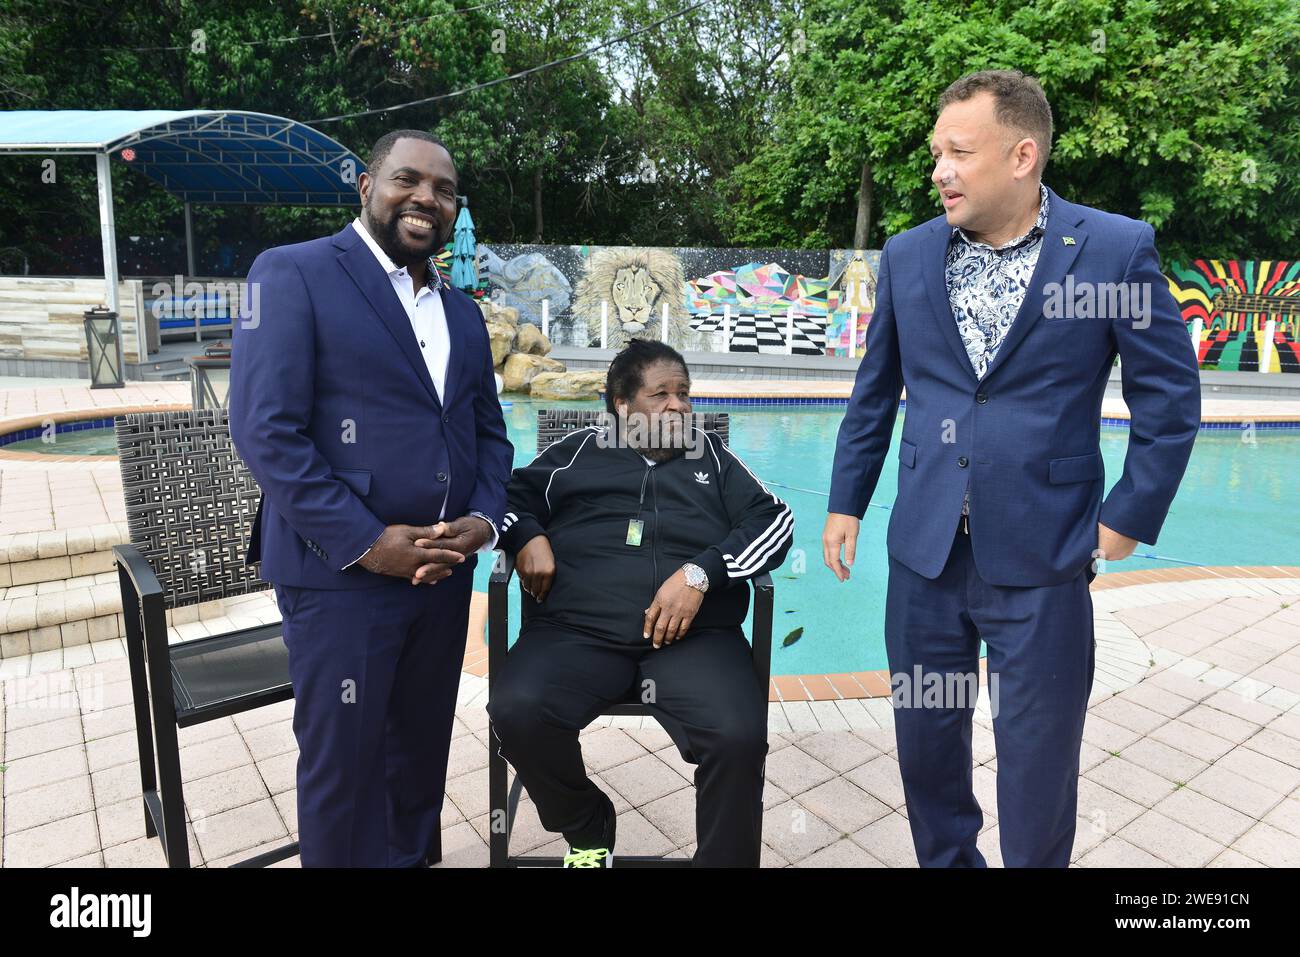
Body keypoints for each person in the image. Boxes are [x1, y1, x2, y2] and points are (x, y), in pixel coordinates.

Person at [822, 70, 1200, 867]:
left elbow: (1169, 396)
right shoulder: (910, 255)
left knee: (1036, 763)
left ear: (1022, 154)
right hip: (924, 552)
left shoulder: (1112, 250)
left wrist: (1130, 513)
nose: (939, 171)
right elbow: (874, 392)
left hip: (1043, 556)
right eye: (936, 152)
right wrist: (845, 501)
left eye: (959, 151)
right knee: (926, 746)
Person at [229, 129, 514, 867]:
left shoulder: (462, 315)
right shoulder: (291, 274)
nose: (426, 198)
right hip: (342, 578)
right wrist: (369, 540)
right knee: (344, 769)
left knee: (418, 758)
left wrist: (482, 523)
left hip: (443, 578)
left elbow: (491, 436)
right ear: (366, 185)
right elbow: (267, 431)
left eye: (444, 190)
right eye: (407, 180)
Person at [488, 340, 793, 867]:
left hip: (692, 641)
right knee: (516, 711)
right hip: (576, 634)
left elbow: (774, 522)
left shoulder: (713, 459)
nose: (679, 406)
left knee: (738, 738)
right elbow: (504, 499)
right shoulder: (576, 452)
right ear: (621, 405)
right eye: (662, 395)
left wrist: (701, 573)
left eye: (684, 394)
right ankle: (587, 828)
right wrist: (526, 536)